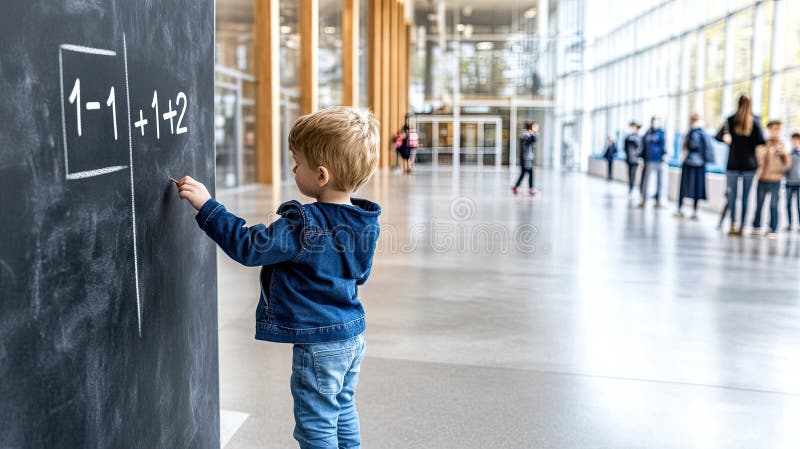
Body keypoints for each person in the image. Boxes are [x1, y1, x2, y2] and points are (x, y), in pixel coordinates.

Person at [174, 106, 381, 449]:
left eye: (297, 162)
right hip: (352, 336)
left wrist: (208, 206)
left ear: (322, 175)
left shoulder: (303, 224)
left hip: (319, 345)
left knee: (315, 427)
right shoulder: (365, 221)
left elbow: (249, 247)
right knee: (342, 409)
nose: (294, 169)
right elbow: (360, 274)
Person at [716, 95, 766, 236]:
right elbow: (761, 141)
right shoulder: (755, 121)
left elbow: (717, 136)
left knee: (732, 196)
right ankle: (743, 226)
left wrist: (729, 140)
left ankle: (732, 224)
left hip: (733, 163)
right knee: (745, 197)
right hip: (750, 164)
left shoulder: (731, 120)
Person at [752, 120, 790, 238]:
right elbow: (758, 159)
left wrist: (783, 153)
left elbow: (787, 165)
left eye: (778, 129)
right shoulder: (763, 143)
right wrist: (768, 149)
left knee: (774, 205)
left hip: (776, 180)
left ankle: (773, 228)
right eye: (773, 129)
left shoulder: (783, 145)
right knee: (759, 204)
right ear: (768, 130)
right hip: (763, 178)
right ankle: (756, 226)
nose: (776, 132)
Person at [676, 113, 711, 220]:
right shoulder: (703, 133)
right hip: (700, 164)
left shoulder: (692, 132)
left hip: (690, 163)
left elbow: (688, 146)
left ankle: (681, 209)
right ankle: (694, 210)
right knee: (697, 188)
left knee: (684, 187)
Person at [639, 116, 667, 208]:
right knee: (646, 181)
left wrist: (664, 155)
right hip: (648, 159)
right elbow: (643, 145)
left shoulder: (661, 133)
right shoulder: (647, 133)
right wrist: (641, 158)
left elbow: (664, 145)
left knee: (660, 181)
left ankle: (658, 201)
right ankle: (643, 199)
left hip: (659, 159)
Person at [512, 121, 539, 196]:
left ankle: (517, 186)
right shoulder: (526, 135)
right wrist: (534, 133)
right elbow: (532, 140)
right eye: (535, 127)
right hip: (525, 159)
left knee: (525, 173)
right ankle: (531, 188)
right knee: (529, 173)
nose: (536, 128)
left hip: (528, 158)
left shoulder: (528, 135)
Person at [785, 132, 800, 230]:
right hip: (789, 183)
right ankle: (790, 224)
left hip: (799, 184)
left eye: (796, 140)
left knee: (799, 206)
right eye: (793, 140)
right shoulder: (788, 154)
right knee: (788, 204)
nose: (794, 142)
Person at [624, 121, 642, 196]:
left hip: (635, 160)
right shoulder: (628, 137)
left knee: (633, 174)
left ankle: (632, 187)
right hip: (629, 159)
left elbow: (640, 148)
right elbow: (625, 147)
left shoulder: (638, 137)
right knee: (629, 174)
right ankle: (630, 187)